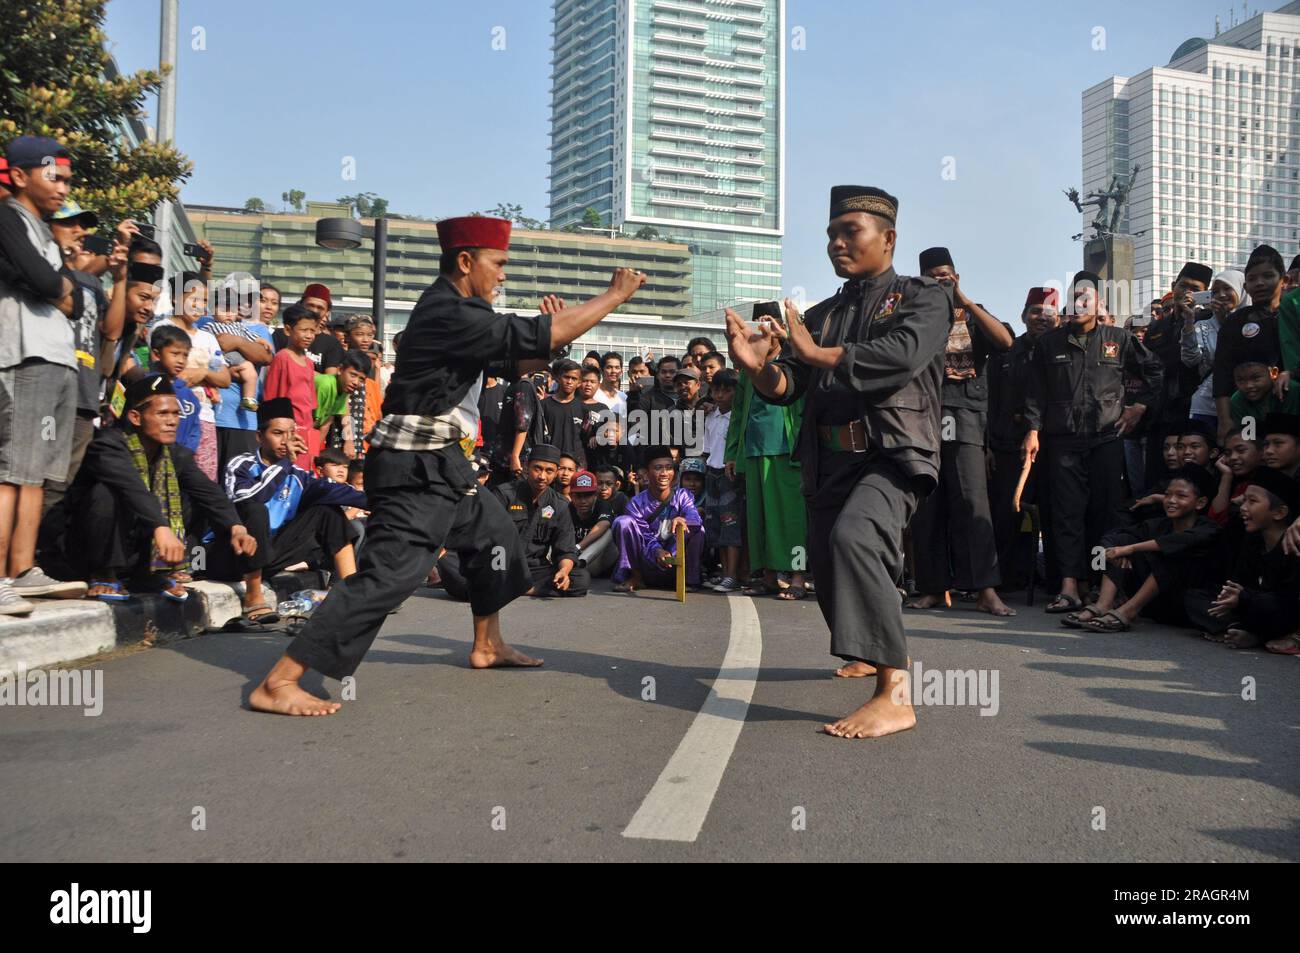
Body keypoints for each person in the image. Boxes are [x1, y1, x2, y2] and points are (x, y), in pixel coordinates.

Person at [248, 215, 645, 715]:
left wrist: (551, 341)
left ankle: (486, 644)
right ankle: (281, 679)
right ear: (465, 261)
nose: (503, 275)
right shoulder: (448, 311)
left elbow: (519, 360)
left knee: (495, 535)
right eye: (497, 264)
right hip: (414, 467)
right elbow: (532, 335)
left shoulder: (462, 315)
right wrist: (613, 297)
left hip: (444, 463)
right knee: (390, 573)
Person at [725, 184, 953, 738]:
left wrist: (812, 352)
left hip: (892, 452)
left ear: (888, 238)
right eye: (831, 234)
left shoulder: (924, 296)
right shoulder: (823, 314)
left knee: (854, 539)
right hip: (829, 459)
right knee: (828, 562)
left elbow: (898, 357)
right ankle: (868, 650)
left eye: (850, 232)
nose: (836, 243)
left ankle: (895, 694)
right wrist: (757, 368)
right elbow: (790, 386)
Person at [1023, 271, 1163, 615]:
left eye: (1087, 297)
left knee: (1104, 514)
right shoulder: (1049, 343)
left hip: (1106, 439)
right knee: (1066, 513)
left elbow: (1156, 370)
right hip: (1062, 441)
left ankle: (1102, 586)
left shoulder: (1118, 338)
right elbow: (1034, 393)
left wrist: (1138, 406)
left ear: (1100, 303)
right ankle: (1070, 586)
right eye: (1075, 297)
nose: (1080, 303)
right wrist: (1033, 430)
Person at [59, 375, 256, 603]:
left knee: (193, 497)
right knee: (106, 493)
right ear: (135, 417)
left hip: (134, 545)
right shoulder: (108, 444)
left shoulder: (175, 454)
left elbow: (209, 492)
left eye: (175, 414)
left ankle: (149, 573)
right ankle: (103, 573)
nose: (172, 421)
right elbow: (132, 489)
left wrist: (236, 527)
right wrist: (160, 527)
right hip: (84, 550)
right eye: (163, 414)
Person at [0, 136, 88, 607]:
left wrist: (59, 286)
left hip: (58, 357)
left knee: (36, 476)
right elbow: (41, 280)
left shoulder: (43, 228)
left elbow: (71, 299)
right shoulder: (8, 216)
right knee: (13, 472)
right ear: (19, 176)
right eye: (53, 176)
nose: (62, 187)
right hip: (25, 353)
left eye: (67, 179)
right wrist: (59, 286)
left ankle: (23, 568)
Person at [907, 246, 1014, 616]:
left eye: (948, 275)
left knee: (972, 503)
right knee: (927, 507)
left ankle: (986, 589)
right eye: (935, 276)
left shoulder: (971, 314)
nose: (943, 281)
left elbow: (1004, 342)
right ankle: (934, 588)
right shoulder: (913, 315)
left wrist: (964, 300)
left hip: (966, 418)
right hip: (922, 418)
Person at [217, 398, 367, 626]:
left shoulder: (298, 475)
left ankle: (350, 592)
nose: (286, 441)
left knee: (328, 510)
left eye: (290, 433)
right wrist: (284, 464)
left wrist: (385, 500)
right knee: (256, 510)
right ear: (259, 436)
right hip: (233, 554)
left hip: (272, 552)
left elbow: (341, 492)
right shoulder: (241, 464)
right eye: (278, 433)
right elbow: (251, 498)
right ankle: (253, 598)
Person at [1063, 464, 1221, 632]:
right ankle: (1103, 604)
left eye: (1181, 496)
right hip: (1156, 603)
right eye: (1167, 495)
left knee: (1170, 554)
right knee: (1121, 541)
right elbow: (1112, 537)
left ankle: (1128, 611)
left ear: (1201, 502)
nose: (1171, 501)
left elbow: (1179, 541)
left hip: (1188, 603)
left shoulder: (1210, 528)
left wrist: (1131, 549)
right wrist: (1115, 552)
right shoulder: (1159, 524)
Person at [724, 327, 807, 601]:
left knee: (792, 519)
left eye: (766, 333)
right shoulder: (750, 368)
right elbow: (737, 413)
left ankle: (797, 577)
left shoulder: (795, 363)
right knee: (759, 519)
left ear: (777, 336)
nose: (760, 339)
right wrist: (732, 453)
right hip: (754, 451)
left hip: (787, 449)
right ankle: (769, 578)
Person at [444, 443, 587, 599]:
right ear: (526, 466)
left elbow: (565, 549)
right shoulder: (504, 495)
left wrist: (564, 572)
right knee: (450, 564)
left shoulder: (560, 505)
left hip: (533, 569)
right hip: (498, 563)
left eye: (549, 471)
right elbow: (483, 536)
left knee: (580, 579)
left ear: (555, 473)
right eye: (537, 468)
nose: (542, 476)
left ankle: (509, 589)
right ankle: (517, 588)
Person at [987, 287, 1059, 592]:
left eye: (1049, 314)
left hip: (1053, 446)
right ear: (1023, 315)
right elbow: (989, 400)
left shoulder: (1063, 350)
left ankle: (1047, 578)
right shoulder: (1005, 352)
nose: (1041, 319)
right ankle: (1004, 576)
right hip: (1007, 445)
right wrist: (988, 444)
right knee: (1006, 513)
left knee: (1052, 513)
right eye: (1035, 312)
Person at [1187, 467, 1300, 649]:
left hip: (1284, 610)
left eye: (1252, 501)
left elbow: (1287, 599)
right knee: (1195, 597)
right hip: (1253, 608)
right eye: (1244, 500)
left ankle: (1256, 634)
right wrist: (1232, 597)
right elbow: (1238, 582)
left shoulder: (1294, 545)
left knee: (1273, 606)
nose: (1243, 508)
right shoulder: (1252, 540)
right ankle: (1240, 631)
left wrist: (1244, 598)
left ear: (1279, 513)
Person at [1213, 245, 1286, 445]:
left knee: (1283, 453)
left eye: (1268, 276)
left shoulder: (1292, 316)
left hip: (1287, 404)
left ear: (1284, 280)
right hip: (1247, 410)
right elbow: (1222, 374)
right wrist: (1225, 420)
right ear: (1245, 286)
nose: (1260, 283)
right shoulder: (1235, 322)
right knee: (1251, 452)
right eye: (1252, 279)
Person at [611, 446, 704, 593]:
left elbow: (694, 517)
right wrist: (657, 551)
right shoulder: (636, 503)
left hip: (674, 562)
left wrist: (683, 520)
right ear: (647, 473)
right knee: (622, 522)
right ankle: (636, 577)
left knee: (698, 528)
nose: (664, 473)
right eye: (658, 468)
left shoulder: (683, 495)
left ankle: (689, 580)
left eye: (669, 468)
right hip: (647, 562)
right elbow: (644, 535)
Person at [1182, 269, 1244, 427]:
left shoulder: (1252, 322)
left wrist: (1227, 322)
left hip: (1246, 401)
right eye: (1215, 291)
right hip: (1206, 407)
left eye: (1228, 288)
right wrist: (1189, 321)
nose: (1221, 295)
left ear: (1241, 290)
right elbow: (1190, 360)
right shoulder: (1202, 326)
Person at [263, 303, 320, 469]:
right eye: (304, 330)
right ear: (288, 330)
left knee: (306, 473)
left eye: (312, 330)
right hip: (289, 430)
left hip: (307, 429)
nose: (309, 335)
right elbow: (272, 398)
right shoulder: (282, 358)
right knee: (287, 471)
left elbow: (311, 402)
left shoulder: (309, 363)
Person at [700, 368, 742, 592]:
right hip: (712, 472)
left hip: (729, 474)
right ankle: (725, 573)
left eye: (727, 390)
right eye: (716, 390)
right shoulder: (711, 415)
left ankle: (732, 575)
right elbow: (707, 449)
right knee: (715, 524)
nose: (720, 395)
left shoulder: (737, 417)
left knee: (731, 523)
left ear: (736, 392)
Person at [570, 468, 618, 578]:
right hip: (574, 560)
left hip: (597, 559)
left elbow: (604, 524)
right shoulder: (568, 509)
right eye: (578, 496)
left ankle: (579, 564)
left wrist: (578, 547)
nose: (583, 501)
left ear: (595, 495)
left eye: (588, 495)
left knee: (609, 532)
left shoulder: (602, 505)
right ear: (571, 496)